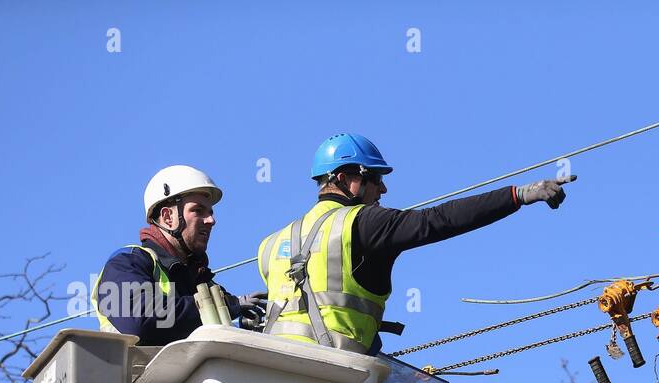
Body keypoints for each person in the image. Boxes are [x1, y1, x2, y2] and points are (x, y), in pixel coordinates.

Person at [257, 133, 574, 354]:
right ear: (344, 179)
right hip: (336, 372)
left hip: (275, 371)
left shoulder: (270, 244)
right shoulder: (363, 222)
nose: (383, 189)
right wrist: (517, 195)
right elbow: (438, 220)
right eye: (376, 179)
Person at [92, 165, 266, 346]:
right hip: (137, 373)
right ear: (168, 217)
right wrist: (221, 306)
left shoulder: (201, 282)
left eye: (210, 212)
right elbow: (140, 321)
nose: (211, 220)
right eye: (198, 211)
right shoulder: (126, 263)